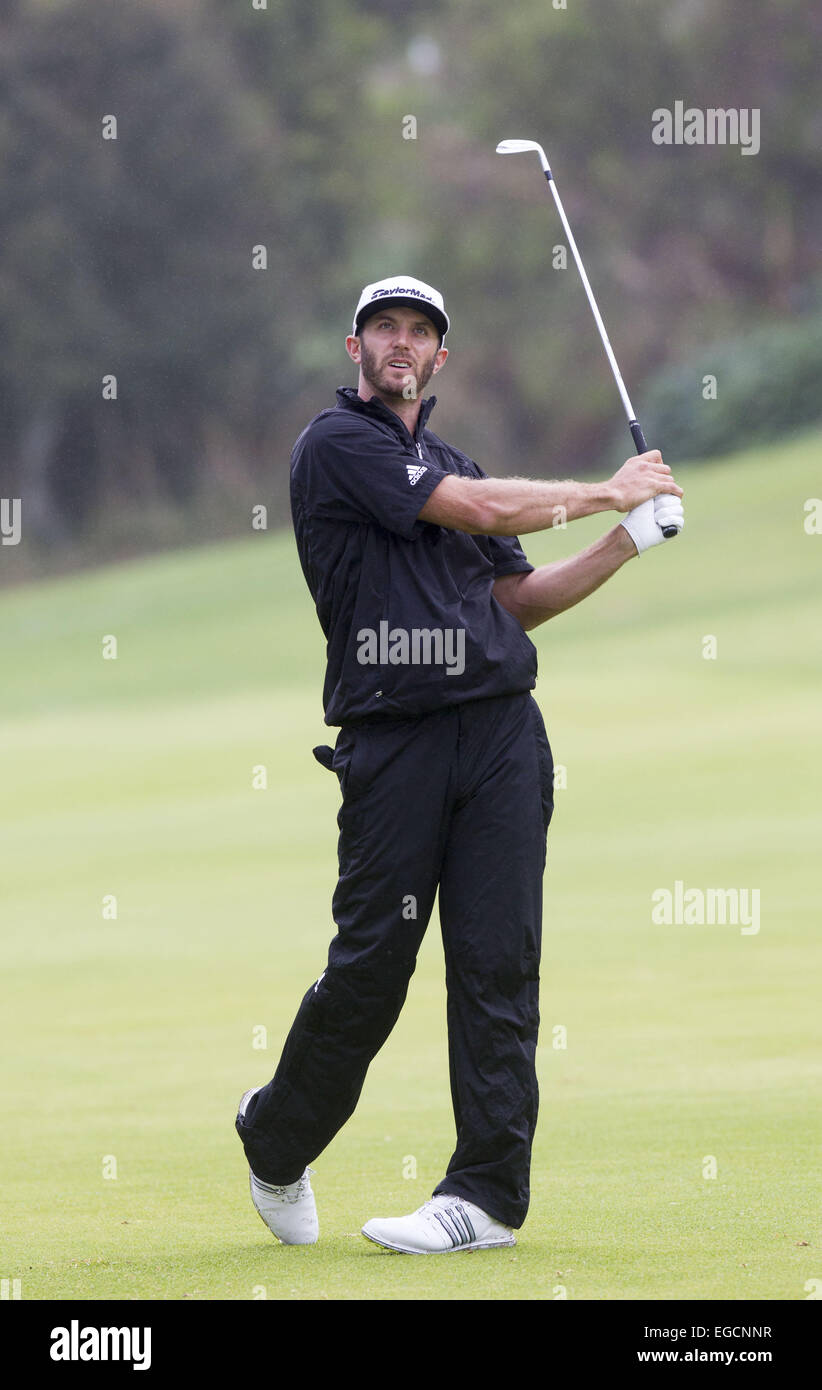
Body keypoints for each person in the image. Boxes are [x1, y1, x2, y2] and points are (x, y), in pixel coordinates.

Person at [235, 276, 684, 1254]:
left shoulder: (453, 458)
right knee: (371, 973)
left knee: (498, 965)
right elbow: (477, 508)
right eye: (384, 329)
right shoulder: (339, 446)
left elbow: (516, 600)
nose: (402, 344)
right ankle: (276, 1138)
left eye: (420, 333)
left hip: (502, 739)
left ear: (443, 357)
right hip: (395, 742)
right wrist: (607, 487)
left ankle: (482, 1197)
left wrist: (623, 540)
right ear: (353, 347)